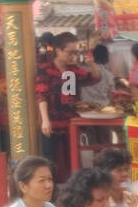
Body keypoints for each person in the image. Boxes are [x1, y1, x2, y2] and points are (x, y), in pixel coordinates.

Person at [36, 32, 96, 178]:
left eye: (75, 52)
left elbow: (94, 78)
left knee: (72, 158)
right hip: (52, 121)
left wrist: (91, 64)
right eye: (70, 52)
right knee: (50, 158)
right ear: (58, 51)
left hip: (71, 121)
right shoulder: (46, 69)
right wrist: (45, 120)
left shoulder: (74, 69)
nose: (73, 56)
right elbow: (41, 95)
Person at [79, 43, 116, 108]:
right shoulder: (109, 75)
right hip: (104, 108)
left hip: (86, 108)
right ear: (107, 57)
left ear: (93, 55)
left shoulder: (83, 70)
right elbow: (112, 94)